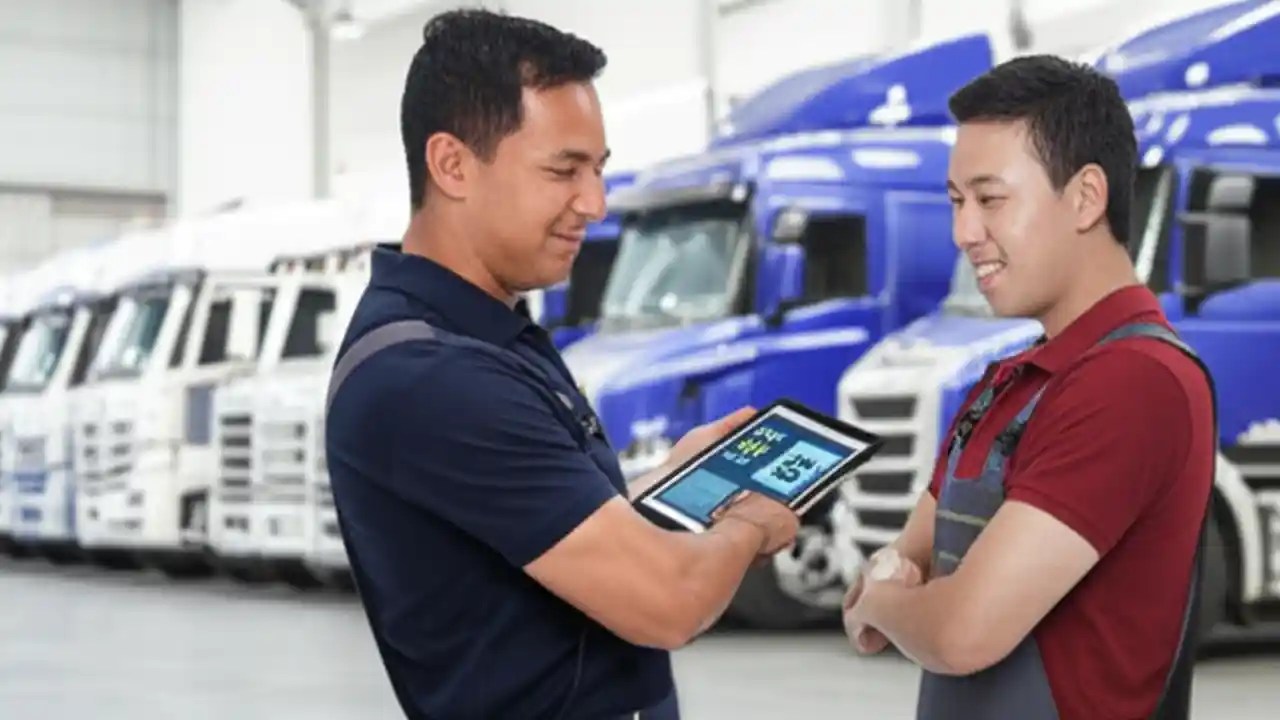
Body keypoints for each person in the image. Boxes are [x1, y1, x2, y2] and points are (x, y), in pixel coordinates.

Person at [323, 10, 800, 720]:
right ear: (452, 164)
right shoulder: (430, 376)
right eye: (563, 171)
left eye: (598, 170)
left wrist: (678, 477)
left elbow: (550, 528)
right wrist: (752, 523)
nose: (595, 203)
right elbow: (667, 601)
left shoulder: (487, 337)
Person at [840, 55, 1217, 720]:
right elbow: (913, 554)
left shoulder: (1136, 383)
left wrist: (882, 599)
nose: (964, 233)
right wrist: (898, 590)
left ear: (1085, 197)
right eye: (956, 202)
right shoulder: (1009, 382)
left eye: (990, 199)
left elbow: (960, 633)